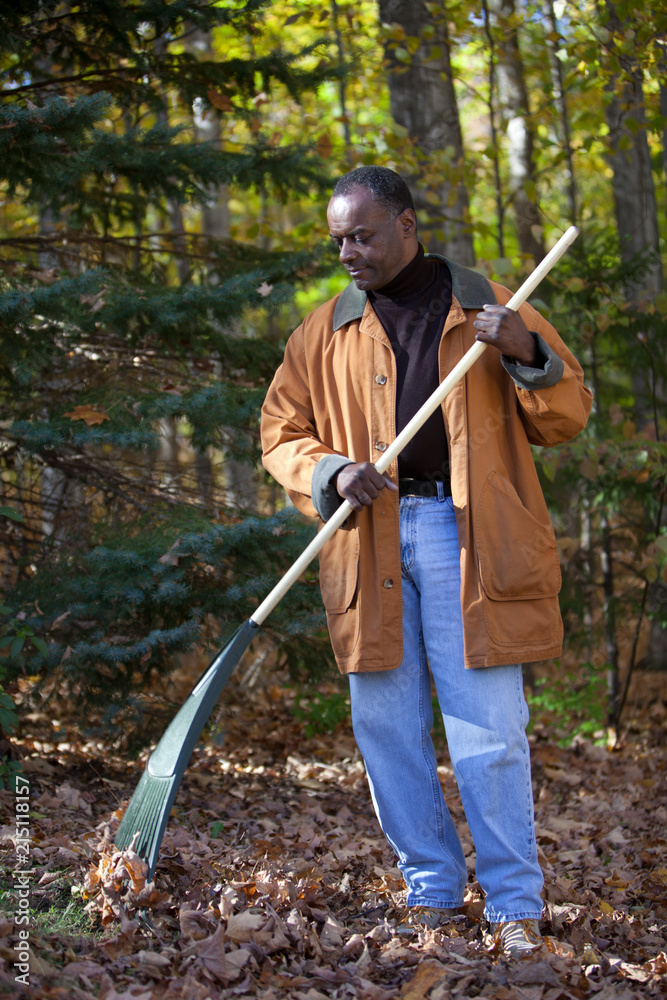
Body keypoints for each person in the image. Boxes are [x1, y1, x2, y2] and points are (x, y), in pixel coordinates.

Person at [260, 166, 592, 956]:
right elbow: (278, 433)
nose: (349, 252)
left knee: (488, 727)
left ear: (407, 226)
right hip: (363, 534)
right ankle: (432, 894)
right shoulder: (322, 330)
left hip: (463, 532)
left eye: (363, 235)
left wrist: (525, 350)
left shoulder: (486, 301)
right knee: (386, 729)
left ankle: (514, 905)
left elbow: (568, 411)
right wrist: (331, 470)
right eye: (339, 238)